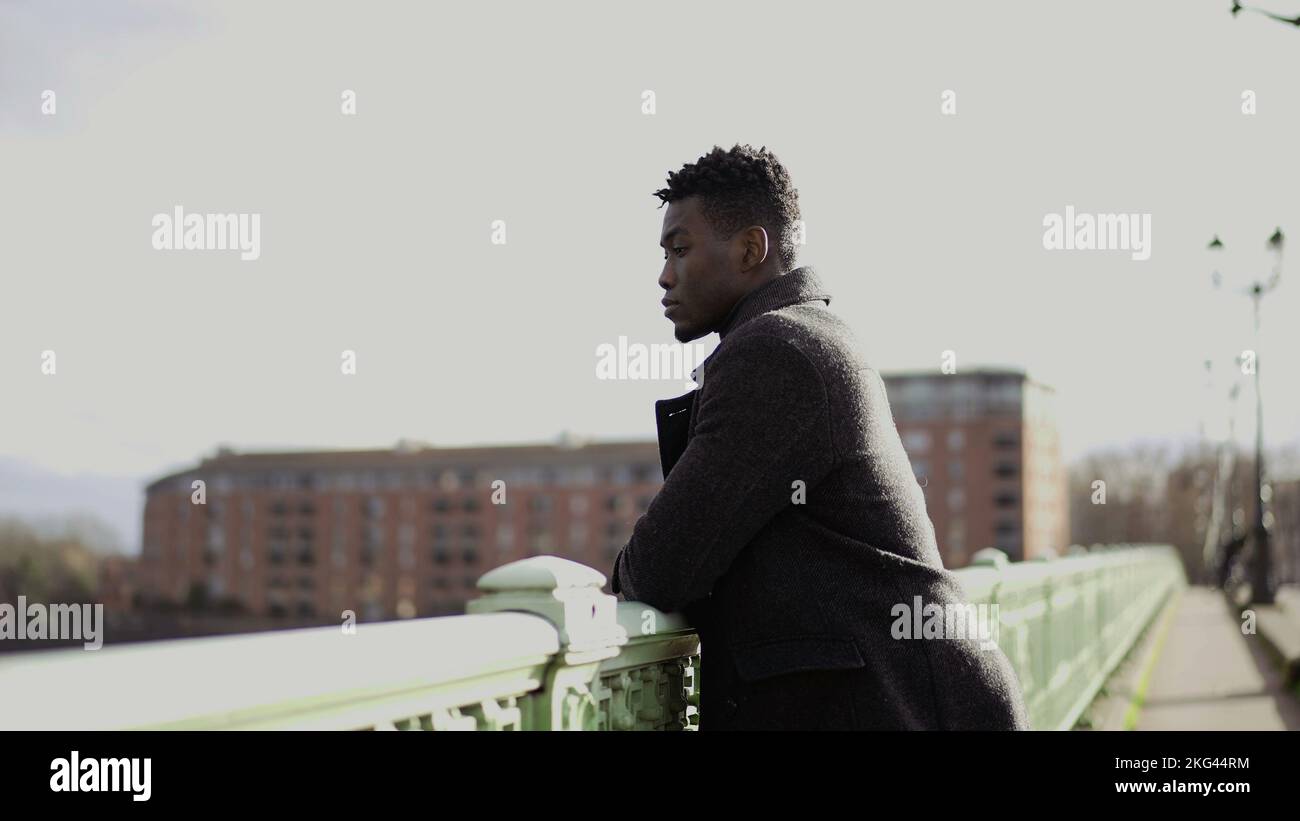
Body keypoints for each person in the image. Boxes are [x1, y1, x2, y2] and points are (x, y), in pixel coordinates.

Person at [611, 144, 1029, 730]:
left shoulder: (775, 352)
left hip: (898, 708)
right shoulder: (807, 336)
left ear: (751, 248)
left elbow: (662, 567)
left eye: (680, 250)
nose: (664, 275)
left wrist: (615, 579)